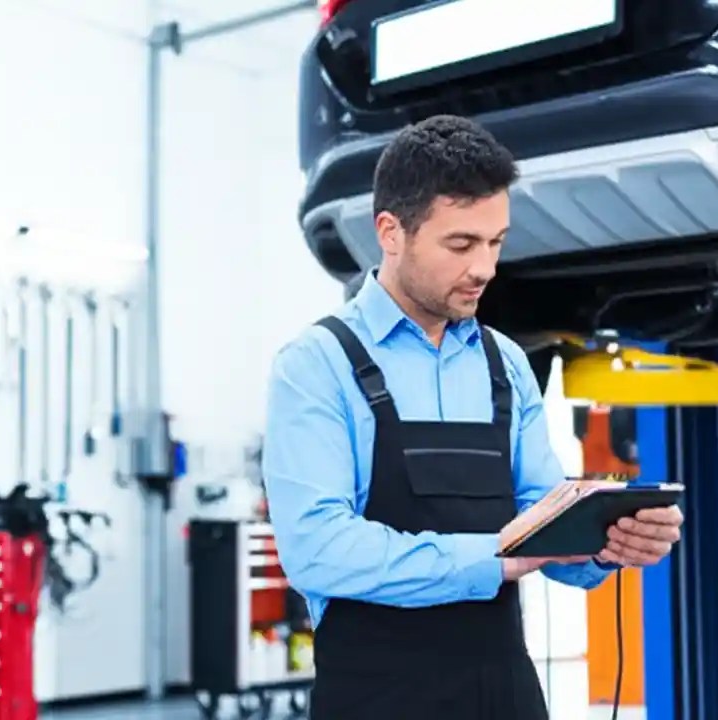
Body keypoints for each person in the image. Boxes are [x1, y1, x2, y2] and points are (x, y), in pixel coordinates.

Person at [262, 115, 684, 720]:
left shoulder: (505, 363)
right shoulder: (316, 365)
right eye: (461, 244)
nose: (485, 267)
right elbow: (318, 549)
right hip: (374, 700)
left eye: (496, 242)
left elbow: (544, 521)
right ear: (391, 232)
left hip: (505, 696)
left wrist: (605, 542)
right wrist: (490, 557)